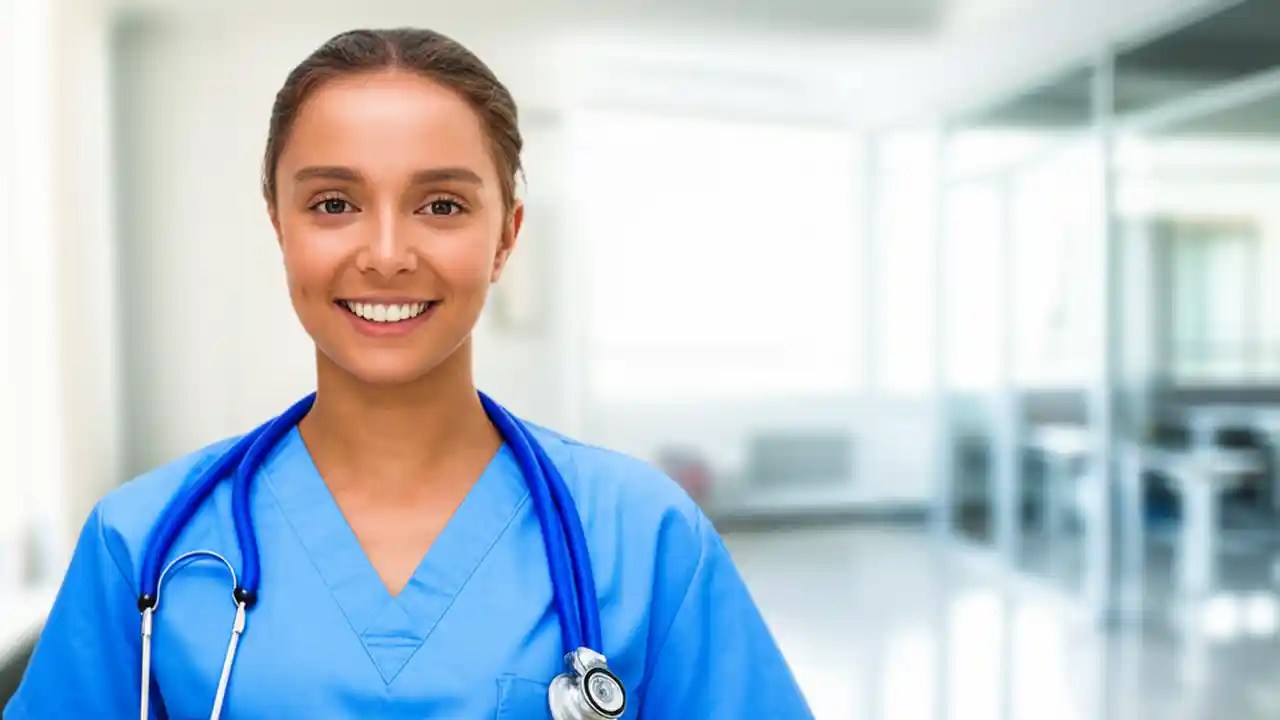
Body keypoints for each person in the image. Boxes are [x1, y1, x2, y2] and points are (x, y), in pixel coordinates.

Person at [3, 27, 813, 719]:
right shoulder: (143, 545)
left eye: (442, 206)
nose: (387, 254)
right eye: (332, 204)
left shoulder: (642, 536)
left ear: (506, 237)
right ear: (279, 226)